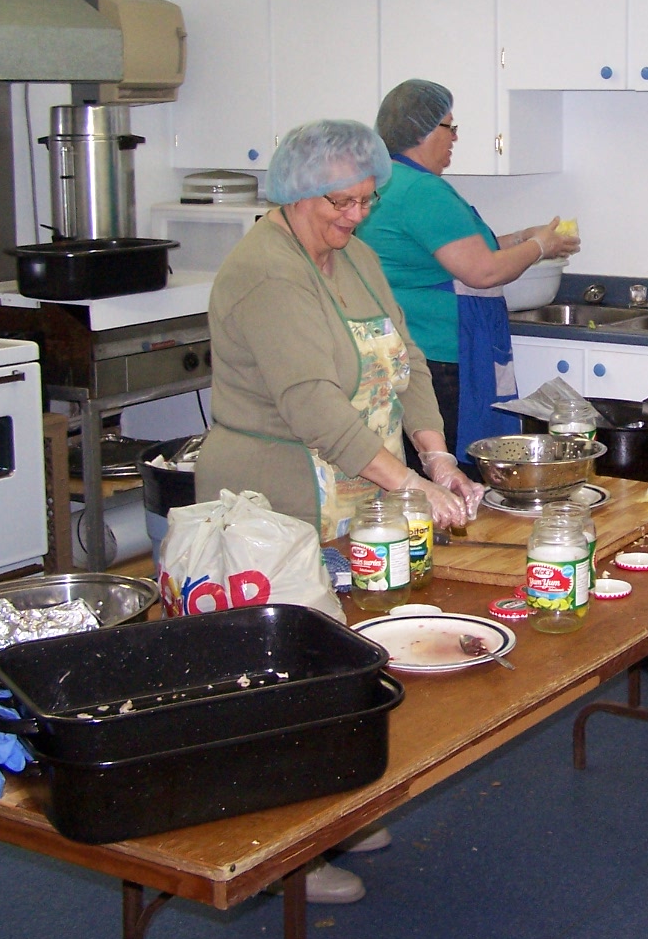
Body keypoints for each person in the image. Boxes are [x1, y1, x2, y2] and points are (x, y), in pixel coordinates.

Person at [197, 119, 484, 904]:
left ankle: (341, 805)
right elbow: (311, 406)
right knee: (292, 673)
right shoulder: (267, 272)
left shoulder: (354, 256)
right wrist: (408, 486)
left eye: (365, 200)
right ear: (292, 193)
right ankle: (293, 853)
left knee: (355, 650)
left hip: (359, 485)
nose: (355, 217)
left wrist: (438, 457)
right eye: (339, 202)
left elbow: (406, 362)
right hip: (277, 494)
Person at [356, 79, 579, 470]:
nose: (455, 137)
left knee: (416, 465)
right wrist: (540, 246)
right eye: (450, 126)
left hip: (406, 350)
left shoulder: (390, 183)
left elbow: (458, 252)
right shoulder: (423, 191)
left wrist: (525, 237)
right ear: (422, 129)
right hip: (441, 356)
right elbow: (483, 270)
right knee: (455, 468)